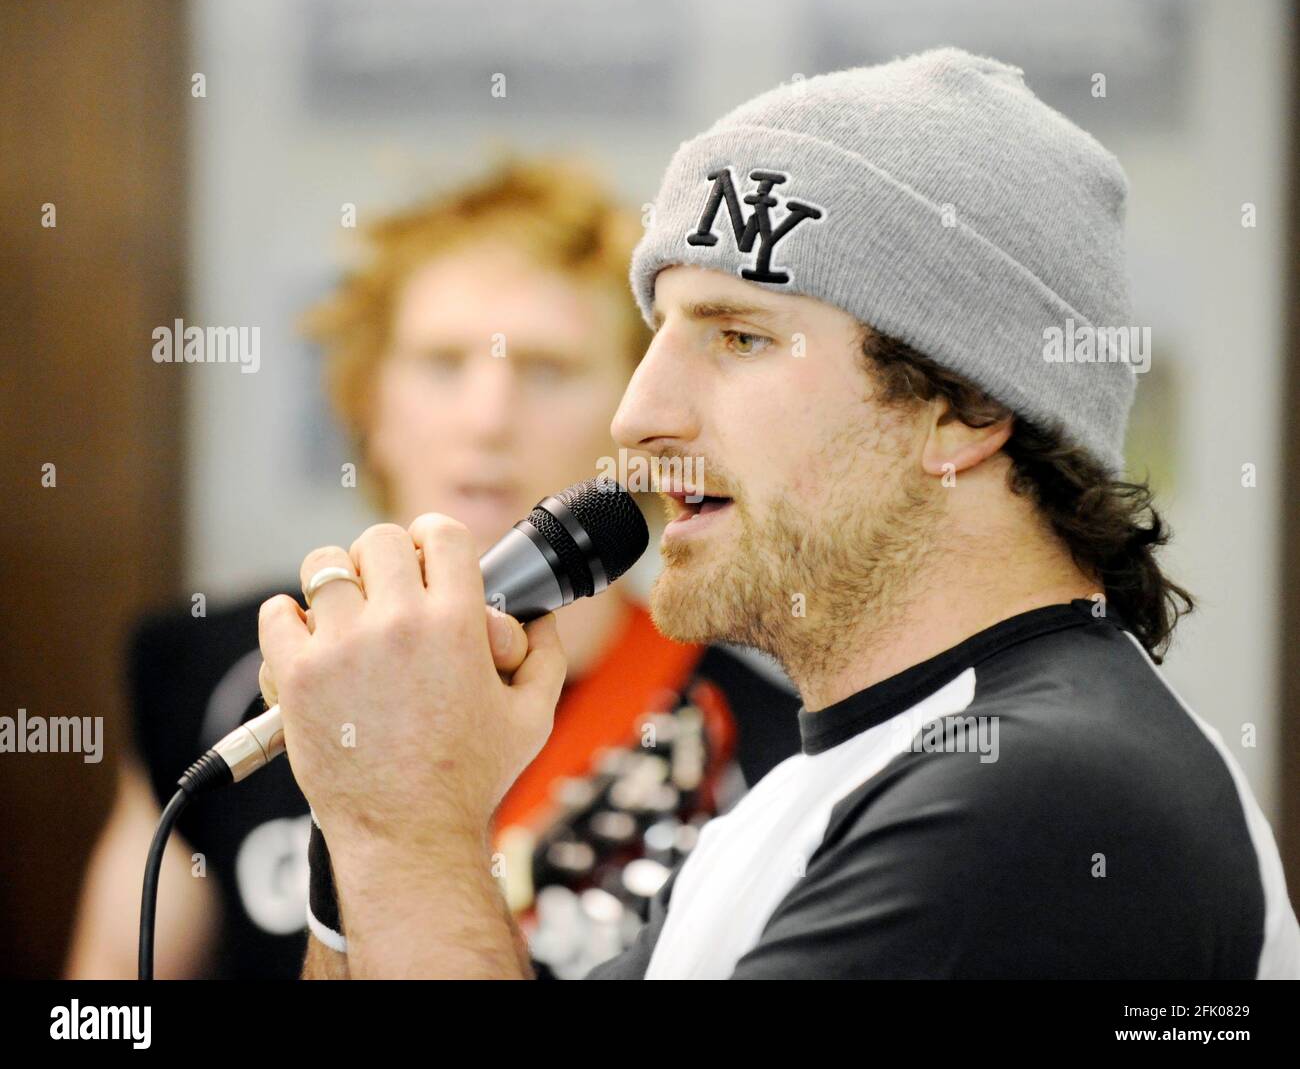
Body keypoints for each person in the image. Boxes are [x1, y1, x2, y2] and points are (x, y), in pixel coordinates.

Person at [261, 48, 1300, 980]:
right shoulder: (821, 788)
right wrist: (361, 835)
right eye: (660, 330)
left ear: (963, 410)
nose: (639, 413)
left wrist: (410, 828)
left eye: (738, 337)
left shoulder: (1044, 794)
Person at [64, 158, 800, 980]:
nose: (487, 418)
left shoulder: (770, 746)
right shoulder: (223, 671)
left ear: (638, 417)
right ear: (368, 406)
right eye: (443, 364)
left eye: (548, 368)